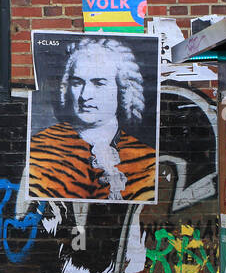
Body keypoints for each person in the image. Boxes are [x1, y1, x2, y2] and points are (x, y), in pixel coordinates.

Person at [28, 38, 156, 202]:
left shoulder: (147, 160)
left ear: (122, 89)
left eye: (99, 83)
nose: (85, 95)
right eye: (77, 83)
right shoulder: (39, 150)